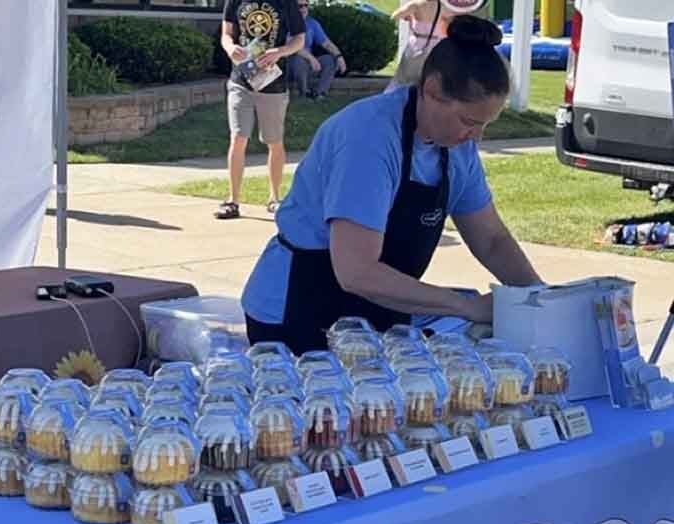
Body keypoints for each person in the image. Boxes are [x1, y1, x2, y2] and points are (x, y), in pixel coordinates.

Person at [241, 15, 543, 355]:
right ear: (431, 91)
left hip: (377, 313)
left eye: (484, 124)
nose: (476, 136)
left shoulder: (458, 149)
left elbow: (491, 240)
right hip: (296, 313)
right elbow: (357, 271)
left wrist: (540, 299)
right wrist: (466, 306)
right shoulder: (367, 137)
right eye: (469, 121)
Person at [216, 0, 306, 219]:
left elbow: (299, 40)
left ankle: (274, 198)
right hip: (240, 80)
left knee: (274, 141)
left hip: (272, 84)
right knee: (238, 138)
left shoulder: (286, 3)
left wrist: (280, 51)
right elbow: (226, 33)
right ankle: (233, 200)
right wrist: (230, 48)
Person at [287, 0, 347, 101]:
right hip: (291, 65)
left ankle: (320, 93)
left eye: (306, 5)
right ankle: (304, 93)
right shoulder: (287, 23)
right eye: (300, 6)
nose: (303, 9)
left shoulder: (312, 23)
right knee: (298, 59)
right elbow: (291, 47)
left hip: (309, 64)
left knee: (330, 60)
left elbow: (327, 43)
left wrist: (339, 57)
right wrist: (311, 58)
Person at [388, 0, 452, 91]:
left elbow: (394, 16)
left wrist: (410, 17)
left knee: (403, 79)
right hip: (436, 46)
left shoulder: (417, 4)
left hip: (417, 45)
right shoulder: (446, 7)